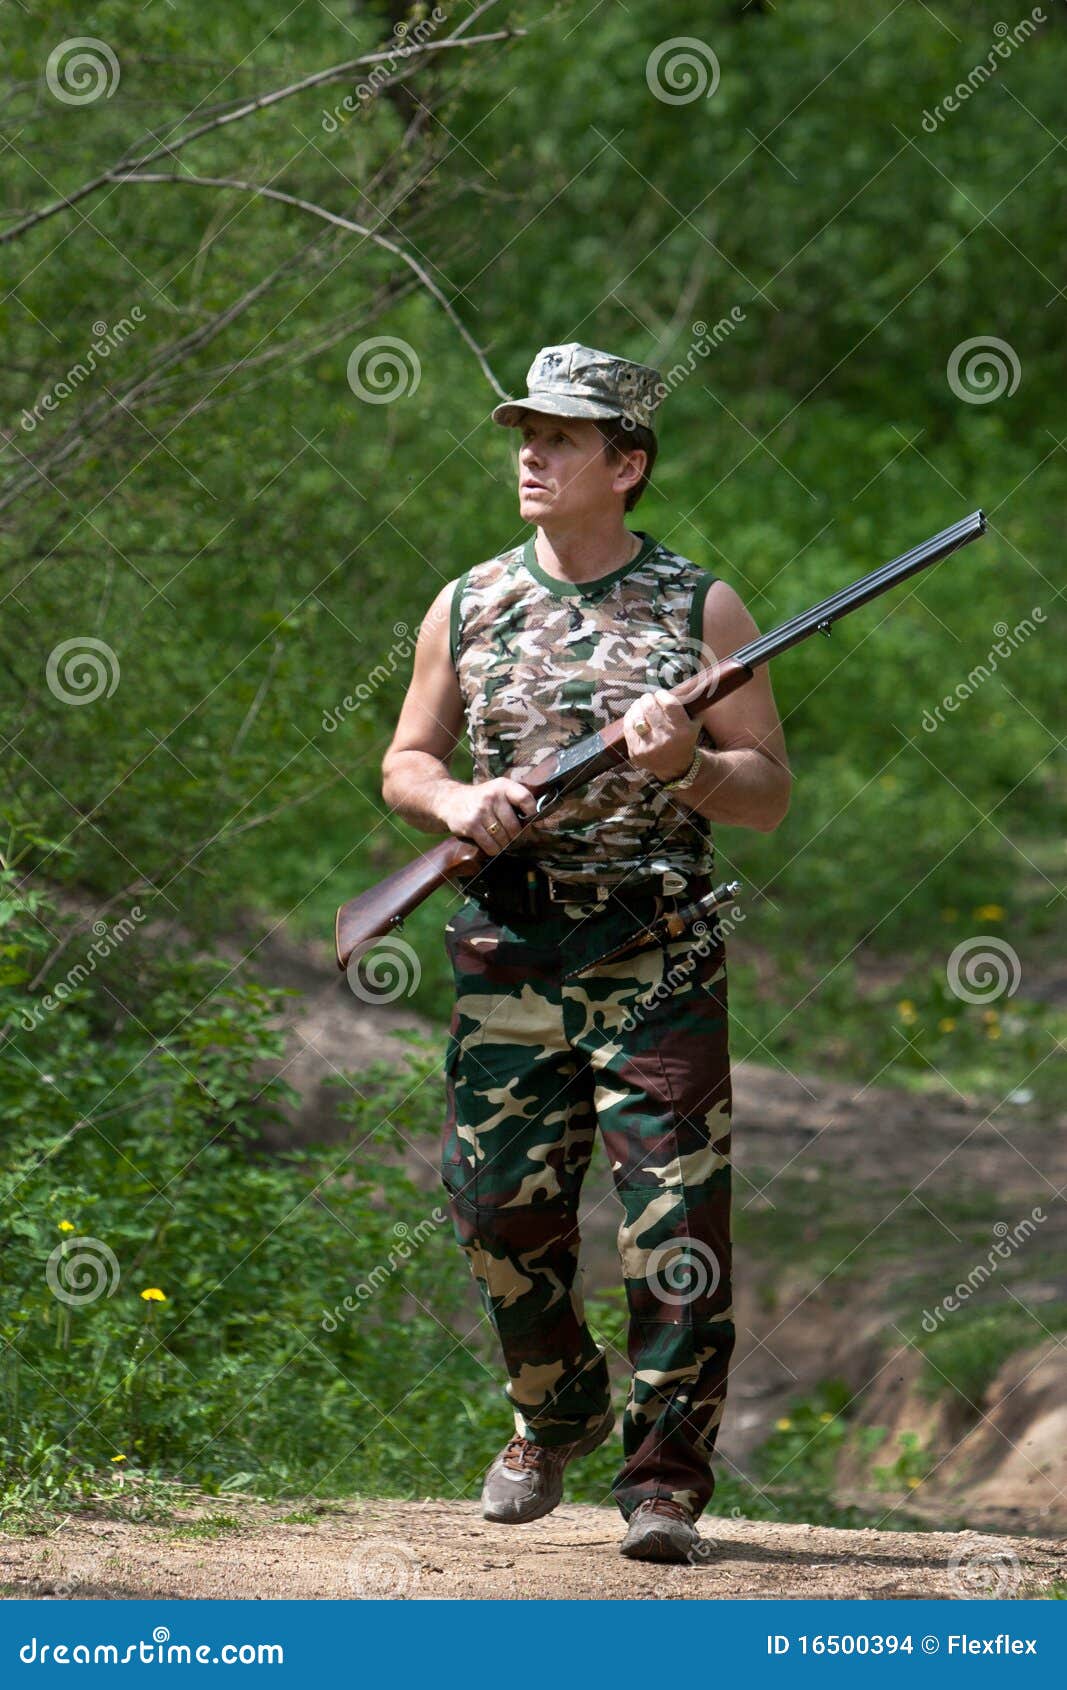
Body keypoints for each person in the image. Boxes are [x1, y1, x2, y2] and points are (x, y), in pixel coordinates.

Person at [381, 342, 791, 1563]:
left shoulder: (698, 607)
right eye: (524, 431)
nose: (529, 453)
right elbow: (405, 760)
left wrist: (683, 765)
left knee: (671, 1218)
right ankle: (553, 1408)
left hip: (653, 945)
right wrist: (454, 806)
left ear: (626, 462)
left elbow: (765, 790)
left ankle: (662, 1482)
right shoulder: (466, 601)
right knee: (495, 1207)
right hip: (508, 939)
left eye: (559, 437)